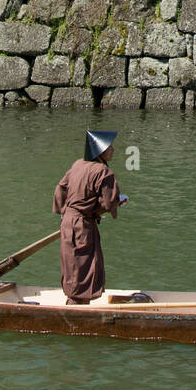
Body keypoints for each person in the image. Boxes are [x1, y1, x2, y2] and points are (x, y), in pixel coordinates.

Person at [53, 129, 127, 305]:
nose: (113, 150)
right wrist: (118, 202)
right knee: (84, 266)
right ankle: (77, 308)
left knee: (73, 264)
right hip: (82, 226)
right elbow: (109, 203)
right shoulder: (103, 172)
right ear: (100, 151)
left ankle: (74, 303)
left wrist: (65, 213)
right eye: (110, 147)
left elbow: (60, 189)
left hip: (68, 222)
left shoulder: (78, 164)